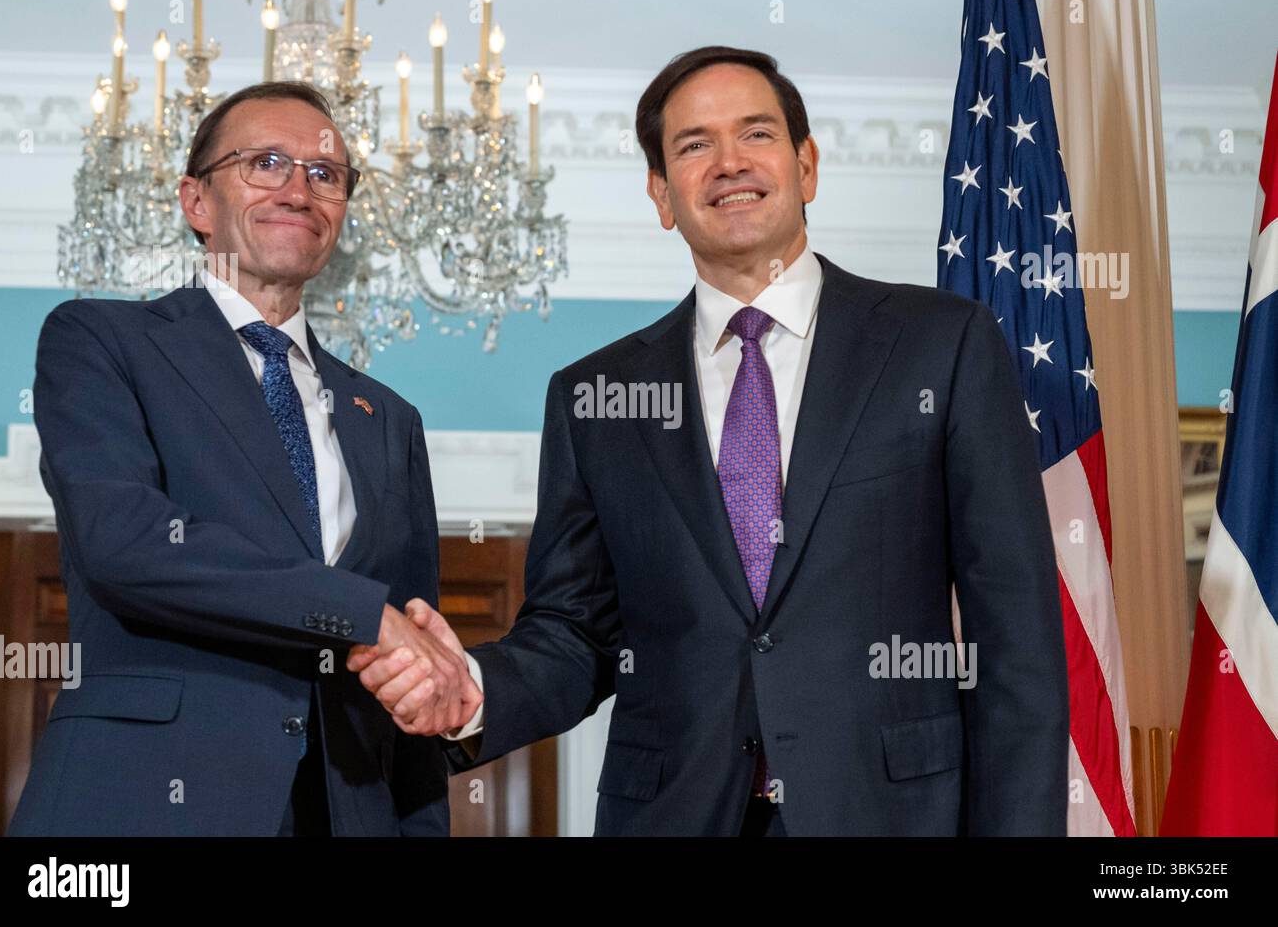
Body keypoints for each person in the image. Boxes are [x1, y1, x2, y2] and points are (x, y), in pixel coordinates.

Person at [350, 47, 1069, 836]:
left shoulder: (943, 345)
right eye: (694, 145)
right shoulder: (593, 396)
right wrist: (474, 689)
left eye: (755, 135)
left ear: (806, 165)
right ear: (662, 193)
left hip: (893, 811)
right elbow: (576, 634)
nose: (728, 163)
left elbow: (1016, 638)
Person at [9, 81, 478, 836]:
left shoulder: (389, 418)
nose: (300, 189)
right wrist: (362, 616)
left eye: (326, 175)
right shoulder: (101, 341)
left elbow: (410, 661)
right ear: (197, 202)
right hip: (141, 804)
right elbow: (126, 543)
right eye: (267, 163)